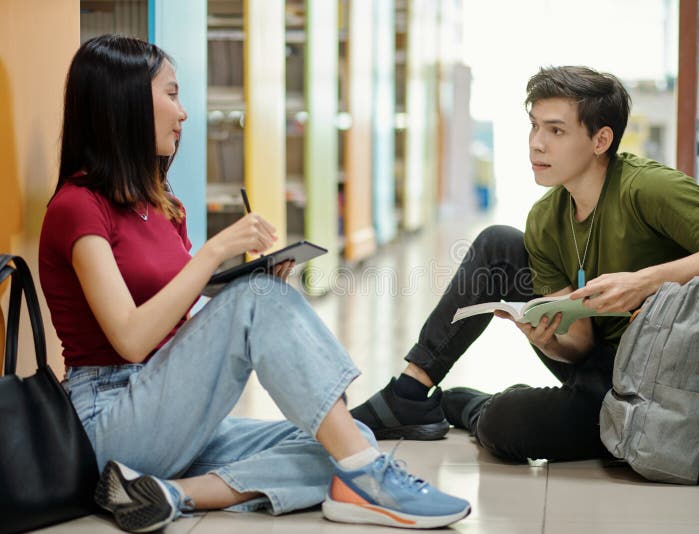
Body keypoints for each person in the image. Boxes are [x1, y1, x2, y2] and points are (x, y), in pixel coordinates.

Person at [38, 35, 470, 533]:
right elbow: (131, 339)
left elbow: (175, 321)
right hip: (109, 418)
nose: (183, 112)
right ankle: (369, 480)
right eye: (171, 94)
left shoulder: (163, 206)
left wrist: (239, 289)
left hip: (169, 414)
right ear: (124, 102)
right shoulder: (77, 207)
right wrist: (215, 257)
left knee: (348, 438)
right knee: (268, 323)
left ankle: (167, 493)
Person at [351, 66, 699, 462]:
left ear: (601, 140)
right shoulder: (547, 216)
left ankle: (473, 406)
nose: (537, 143)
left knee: (504, 423)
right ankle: (409, 392)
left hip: (653, 380)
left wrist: (645, 282)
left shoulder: (647, 187)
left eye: (556, 130)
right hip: (598, 366)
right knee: (499, 243)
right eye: (534, 126)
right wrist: (547, 340)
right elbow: (579, 344)